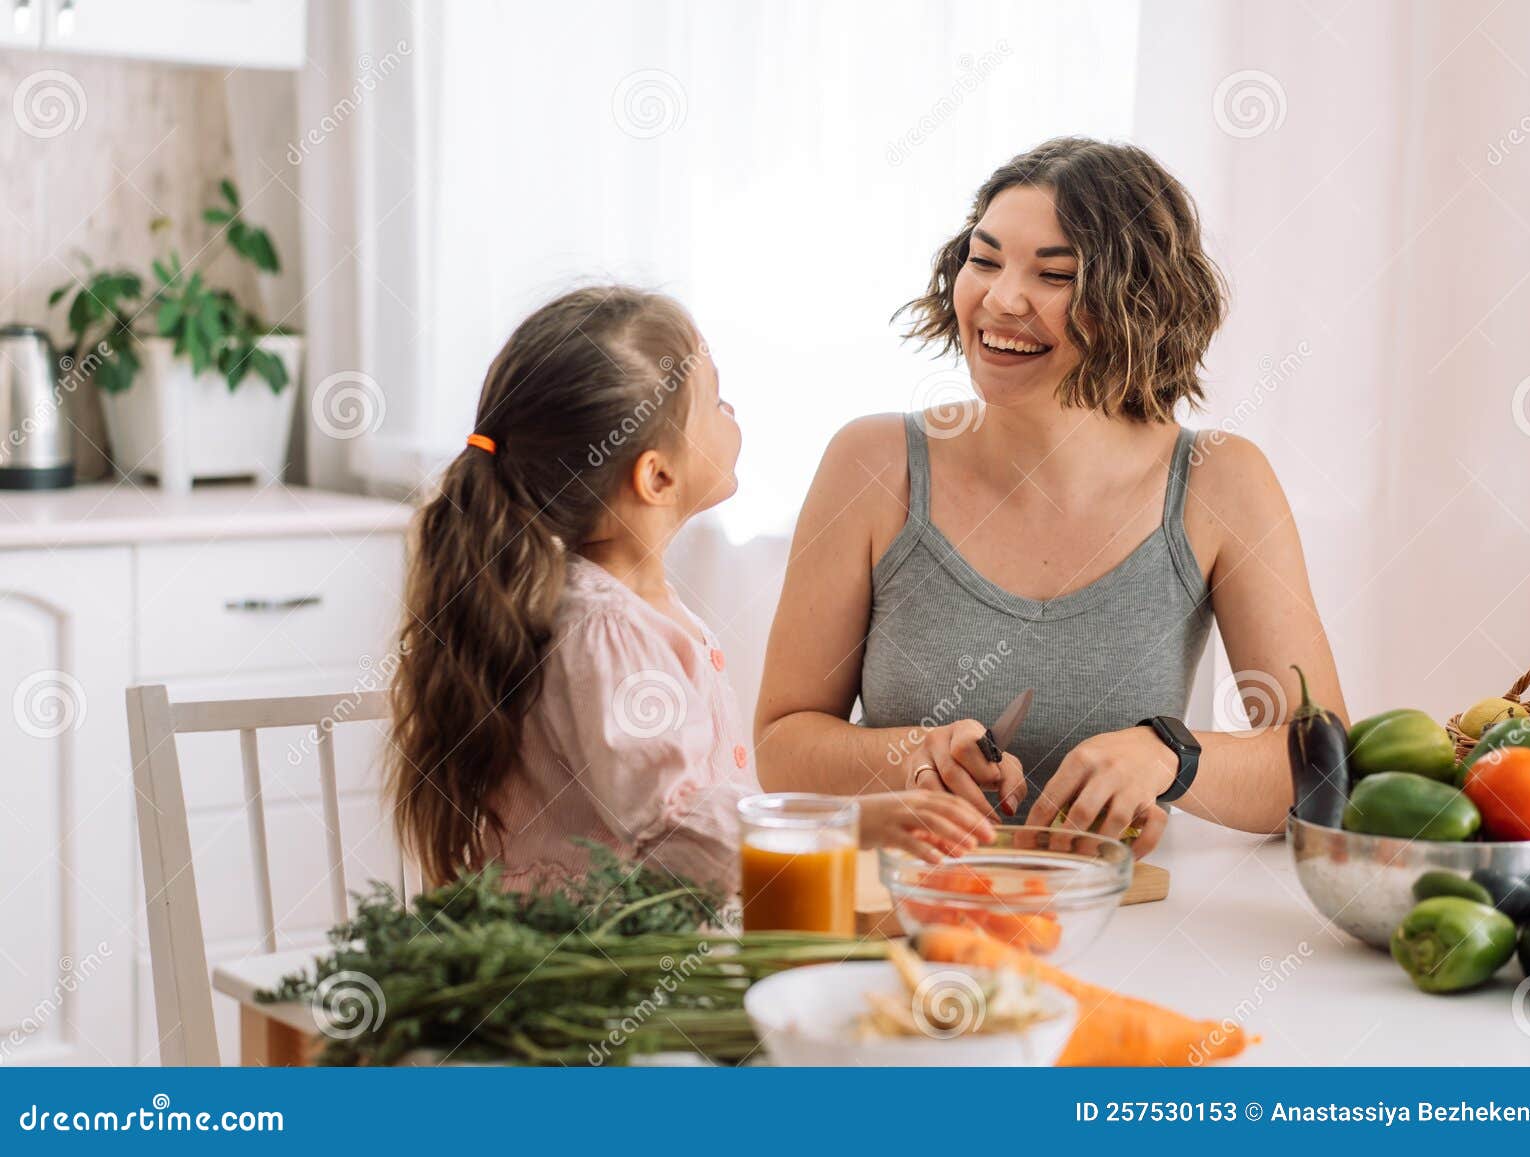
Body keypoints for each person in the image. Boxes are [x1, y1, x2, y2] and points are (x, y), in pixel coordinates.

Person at [756, 138, 1346, 857]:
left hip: (1133, 925)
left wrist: (1172, 755)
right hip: (907, 914)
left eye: (1055, 274)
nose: (1001, 299)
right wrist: (913, 751)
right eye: (984, 259)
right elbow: (782, 745)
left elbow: (1320, 766)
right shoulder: (874, 465)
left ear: (1139, 302)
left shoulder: (1220, 480)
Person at [385, 286, 993, 893]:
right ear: (657, 475)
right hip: (595, 962)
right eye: (715, 402)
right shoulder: (604, 629)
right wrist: (849, 824)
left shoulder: (621, 610)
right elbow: (671, 829)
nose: (732, 414)